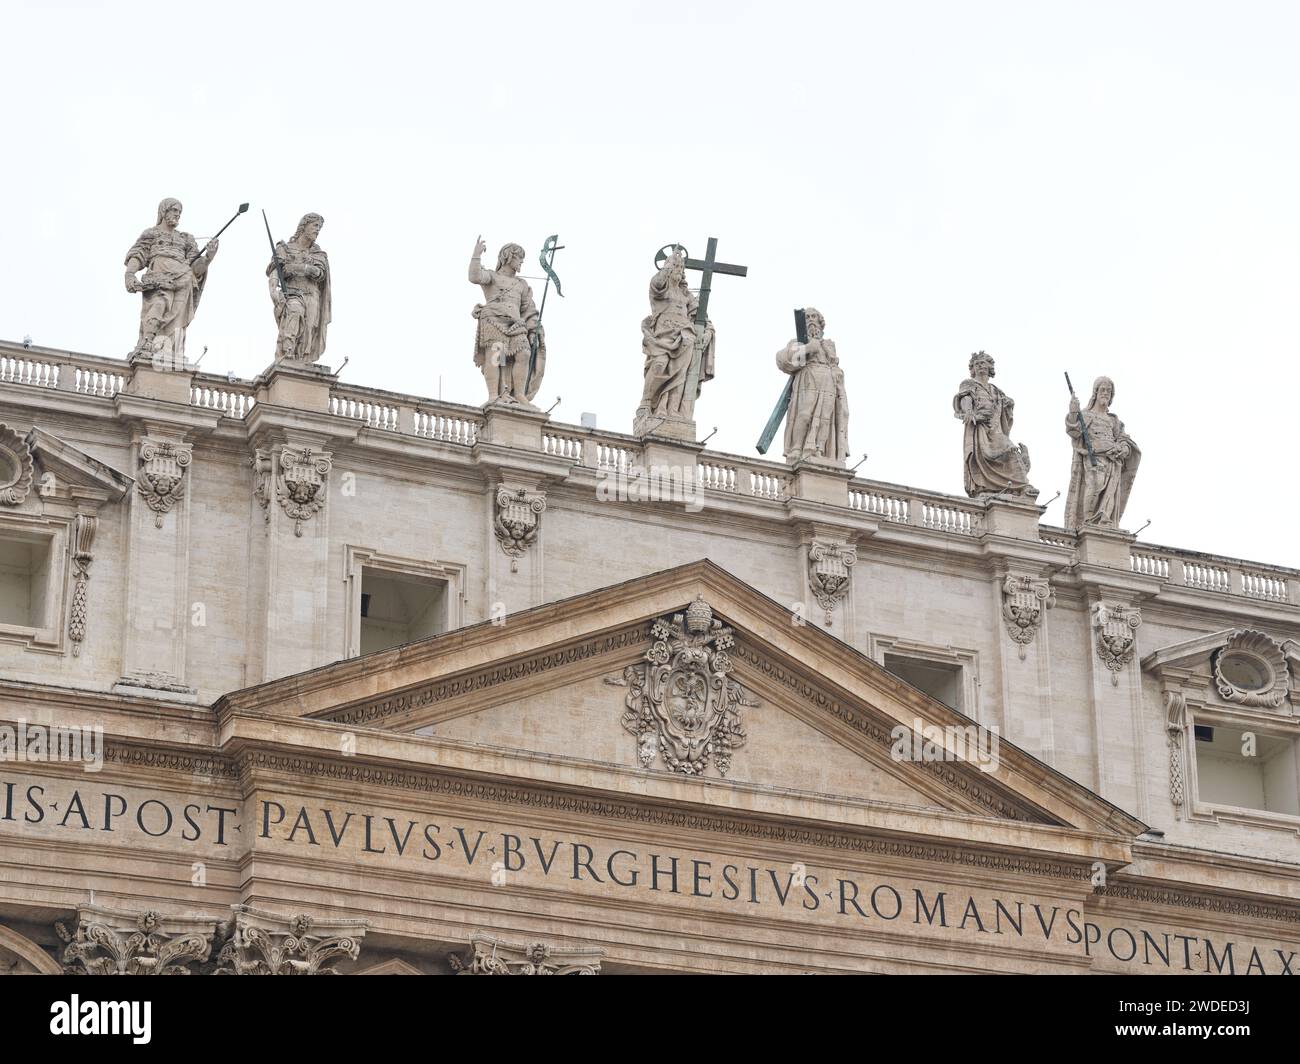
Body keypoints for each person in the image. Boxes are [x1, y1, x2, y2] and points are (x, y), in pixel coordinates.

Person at [1064, 376, 1140, 529]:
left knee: (1110, 493)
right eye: (1103, 390)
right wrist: (1073, 412)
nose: (1106, 393)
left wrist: (1124, 447)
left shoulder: (1114, 420)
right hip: (1093, 457)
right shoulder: (1085, 415)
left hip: (1112, 460)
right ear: (1096, 392)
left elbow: (1123, 438)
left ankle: (1104, 522)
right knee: (1095, 484)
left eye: (1109, 391)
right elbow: (1074, 431)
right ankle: (1088, 522)